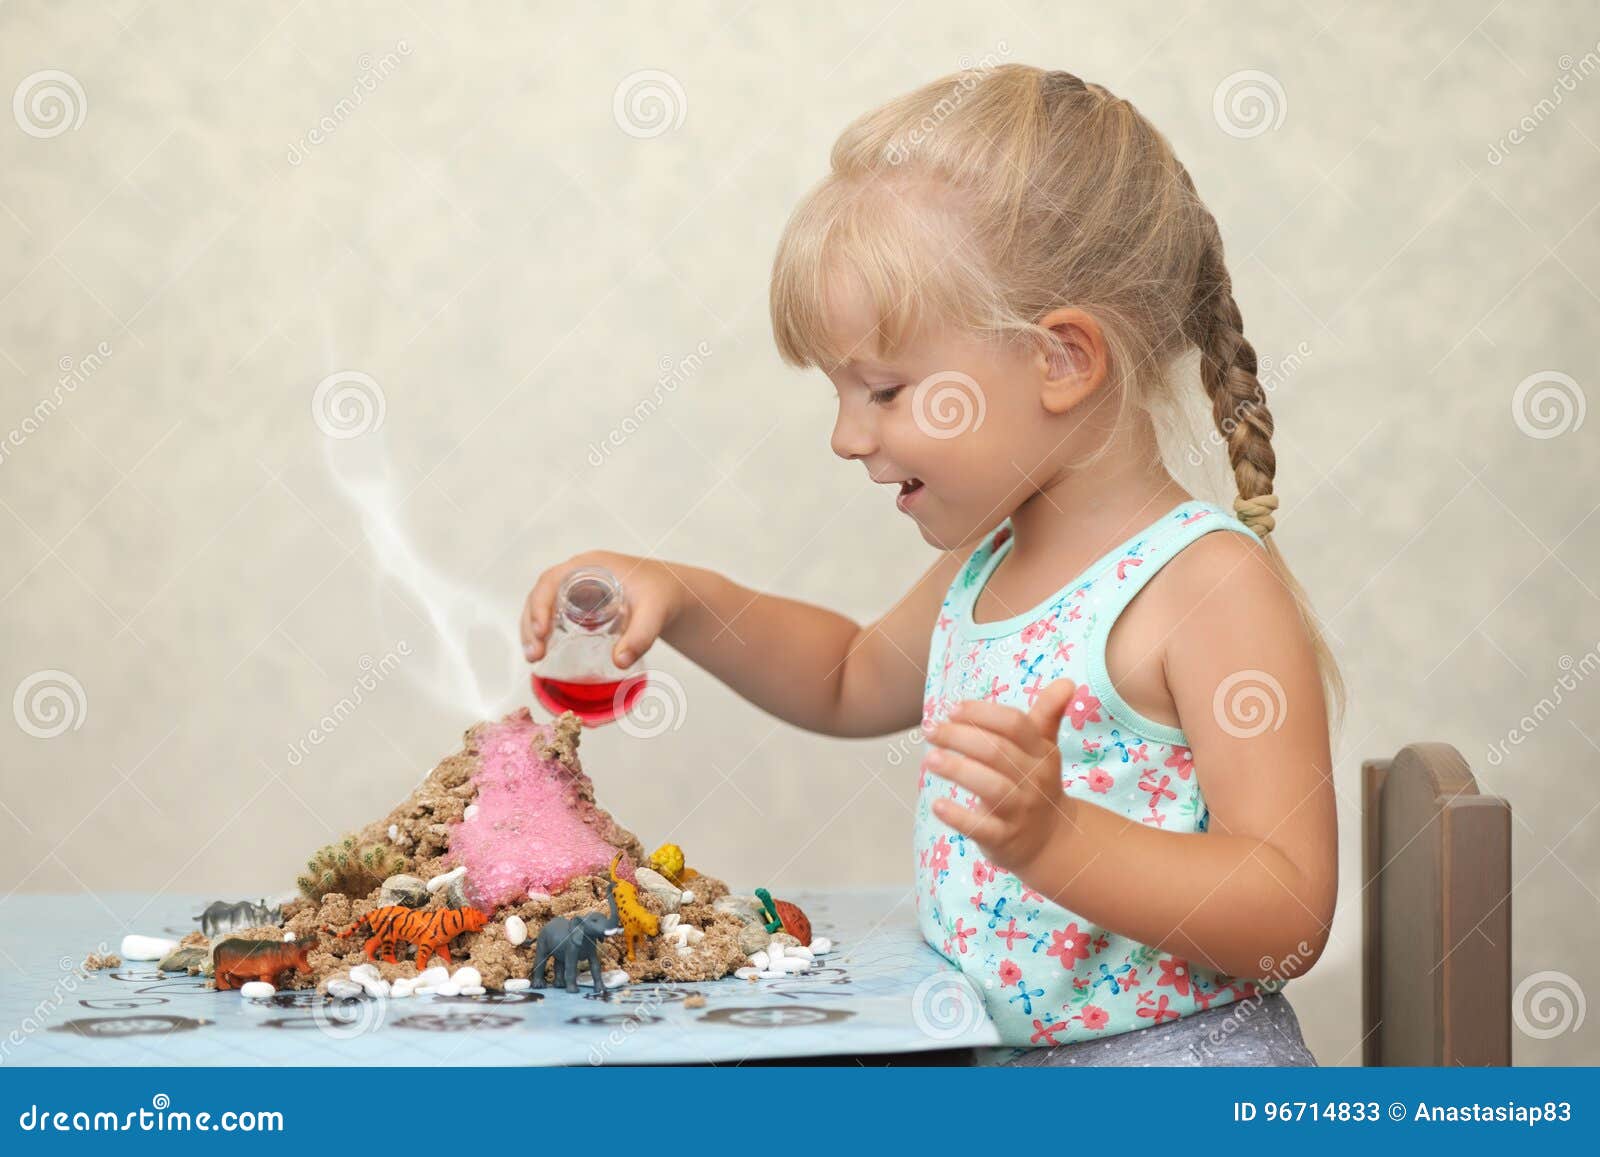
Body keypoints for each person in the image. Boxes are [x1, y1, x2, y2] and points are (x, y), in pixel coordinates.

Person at [521, 64, 1337, 1066]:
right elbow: (846, 673)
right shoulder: (994, 563)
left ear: (1060, 360)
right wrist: (686, 599)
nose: (844, 437)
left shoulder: (1205, 584)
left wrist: (1055, 839)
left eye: (883, 389)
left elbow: (1289, 912)